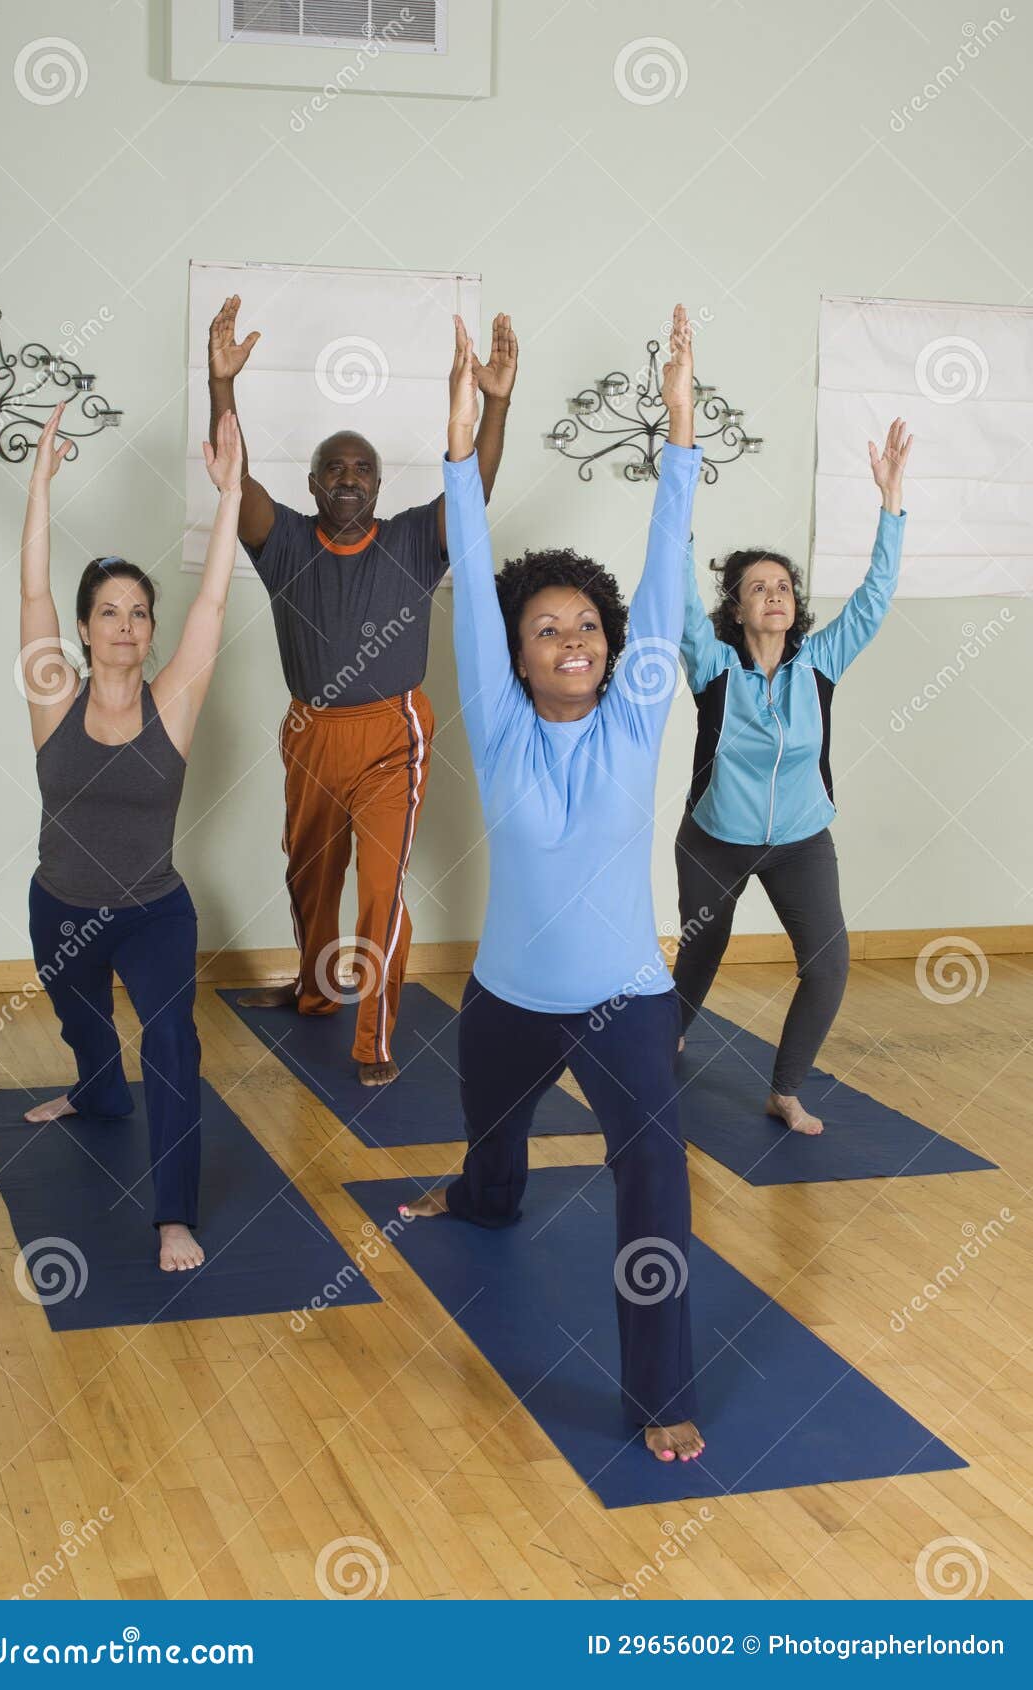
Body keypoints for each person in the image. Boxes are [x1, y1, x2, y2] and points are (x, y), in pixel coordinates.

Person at [402, 306, 705, 1464]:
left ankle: (660, 1392)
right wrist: (457, 446)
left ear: (611, 643)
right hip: (506, 998)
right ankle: (482, 1196)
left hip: (626, 1000)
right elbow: (470, 583)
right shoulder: (496, 720)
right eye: (544, 627)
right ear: (517, 654)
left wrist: (680, 432)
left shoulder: (635, 714)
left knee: (655, 1184)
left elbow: (667, 577)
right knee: (492, 1142)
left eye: (585, 623)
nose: (569, 637)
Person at [207, 296, 517, 1085]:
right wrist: (220, 385)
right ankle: (314, 991)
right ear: (312, 483)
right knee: (309, 874)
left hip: (390, 736)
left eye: (362, 469)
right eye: (334, 469)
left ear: (378, 484)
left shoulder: (413, 538)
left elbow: (473, 489)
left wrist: (496, 403)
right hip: (310, 733)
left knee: (379, 888)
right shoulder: (281, 540)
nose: (348, 479)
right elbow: (231, 474)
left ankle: (372, 1036)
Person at [19, 401, 244, 1271]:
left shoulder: (173, 701)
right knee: (83, 1027)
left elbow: (214, 599)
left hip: (153, 911)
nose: (124, 624)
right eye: (108, 611)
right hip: (60, 907)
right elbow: (32, 592)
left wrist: (230, 495)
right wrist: (40, 484)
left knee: (173, 1040)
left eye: (139, 612)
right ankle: (94, 1091)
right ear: (82, 629)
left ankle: (172, 1216)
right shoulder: (52, 696)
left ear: (151, 630)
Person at [673, 419, 912, 1134]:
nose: (774, 595)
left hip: (801, 840)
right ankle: (666, 1035)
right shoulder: (714, 666)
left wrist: (890, 500)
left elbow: (874, 596)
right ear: (736, 607)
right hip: (715, 839)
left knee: (828, 965)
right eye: (758, 588)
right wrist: (678, 493)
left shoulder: (819, 664)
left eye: (783, 586)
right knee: (703, 950)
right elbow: (676, 587)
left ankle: (785, 1090)